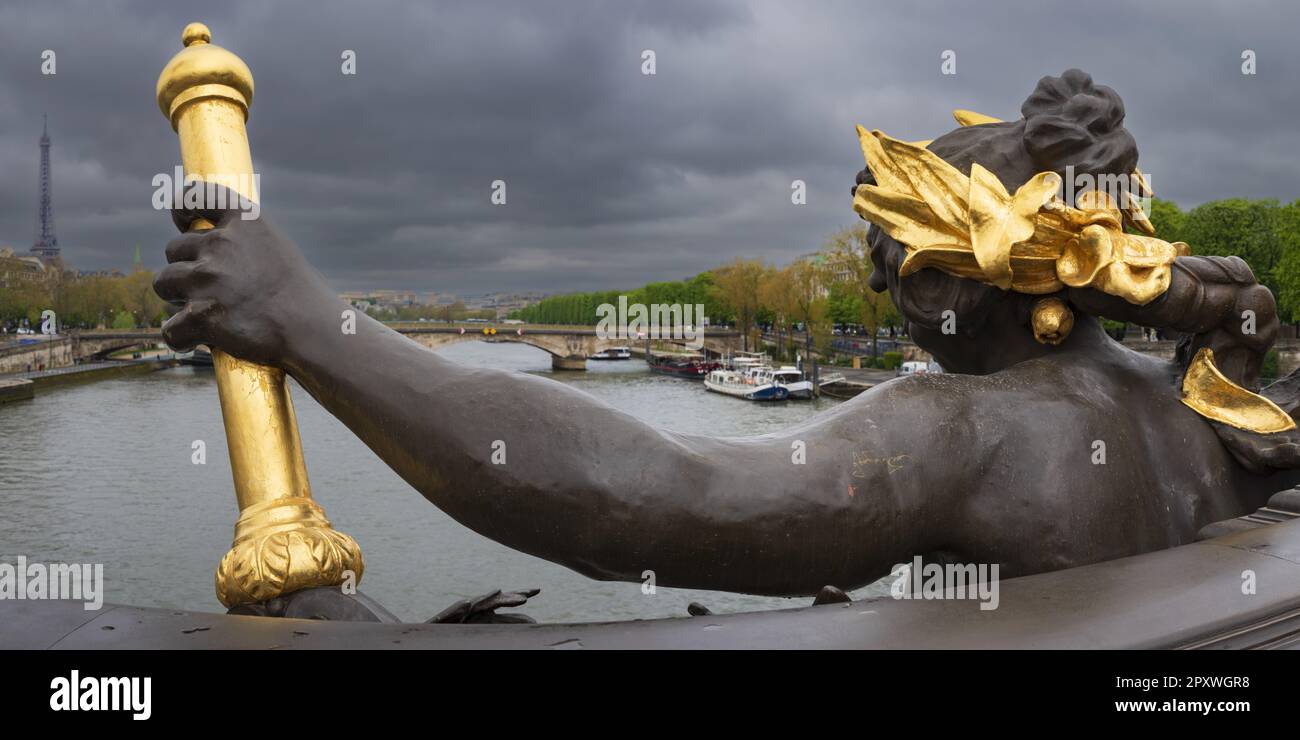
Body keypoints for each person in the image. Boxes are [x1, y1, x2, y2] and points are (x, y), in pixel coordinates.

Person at [154, 70, 1300, 597]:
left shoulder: (966, 427)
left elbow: (645, 497)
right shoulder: (1211, 411)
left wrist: (311, 321)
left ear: (958, 281)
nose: (882, 297)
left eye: (892, 270)